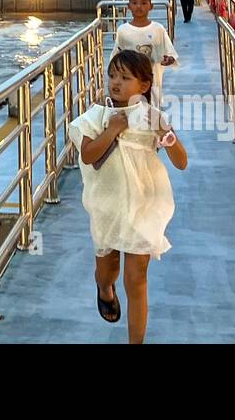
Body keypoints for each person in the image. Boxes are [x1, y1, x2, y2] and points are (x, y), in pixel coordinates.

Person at [68, 50, 188, 342]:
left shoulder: (152, 118)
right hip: (107, 206)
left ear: (144, 85)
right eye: (112, 76)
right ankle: (105, 287)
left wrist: (168, 138)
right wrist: (112, 130)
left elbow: (181, 161)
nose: (116, 83)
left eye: (125, 77)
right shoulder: (96, 116)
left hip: (143, 205)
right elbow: (87, 155)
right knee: (109, 270)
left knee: (137, 279)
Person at [111, 0, 179, 97]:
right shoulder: (123, 30)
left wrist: (169, 59)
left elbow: (170, 53)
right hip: (130, 81)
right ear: (129, 6)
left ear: (151, 6)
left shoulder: (158, 29)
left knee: (151, 110)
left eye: (143, 3)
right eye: (134, 3)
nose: (139, 6)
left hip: (153, 81)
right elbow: (116, 56)